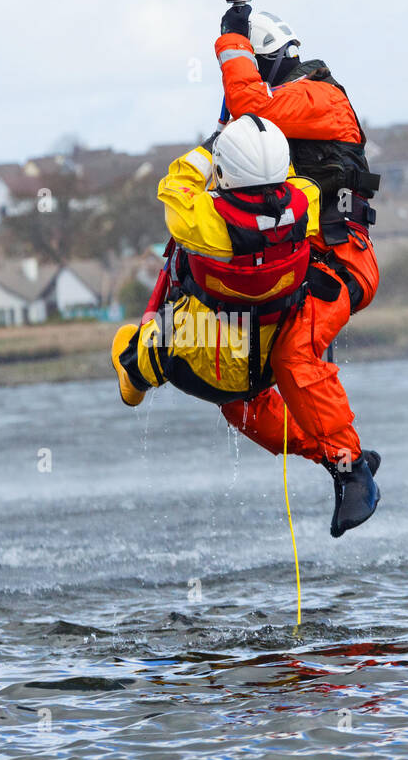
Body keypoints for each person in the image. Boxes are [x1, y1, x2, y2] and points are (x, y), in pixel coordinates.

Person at [111, 114, 379, 537]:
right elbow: (291, 179)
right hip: (266, 358)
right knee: (252, 401)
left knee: (137, 351)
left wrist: (209, 145)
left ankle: (134, 376)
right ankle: (342, 458)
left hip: (205, 363)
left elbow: (174, 184)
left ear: (226, 172)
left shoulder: (203, 221)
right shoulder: (304, 202)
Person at [211, 5, 383, 519]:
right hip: (288, 264)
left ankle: (350, 468)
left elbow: (247, 106)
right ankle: (340, 461)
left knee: (294, 357)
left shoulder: (319, 97)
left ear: (270, 62)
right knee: (236, 392)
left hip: (340, 259)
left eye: (253, 67)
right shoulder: (258, 124)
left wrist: (229, 44)